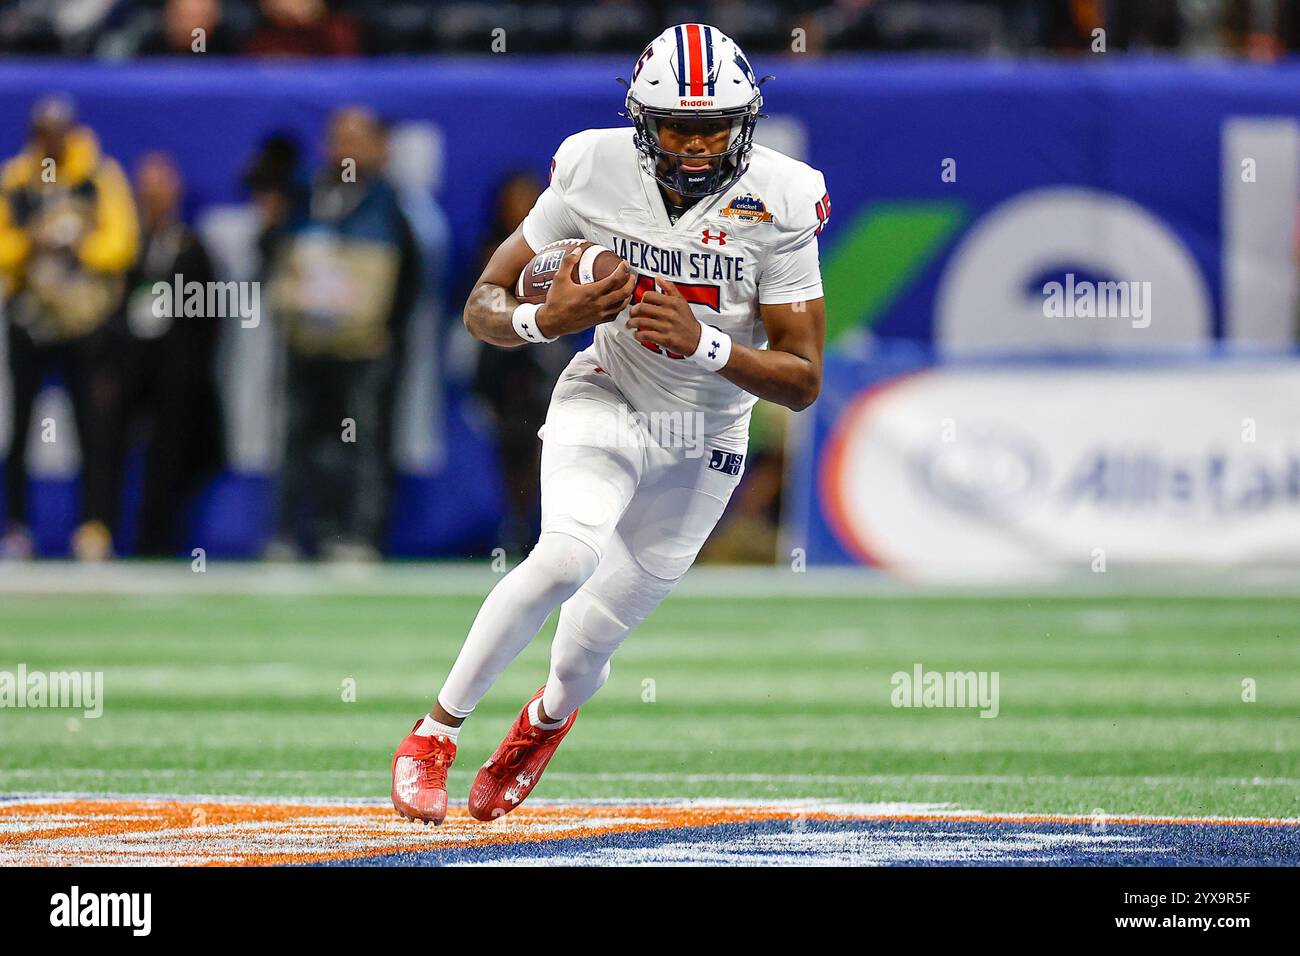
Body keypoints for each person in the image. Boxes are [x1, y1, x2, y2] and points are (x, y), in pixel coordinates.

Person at [391, 24, 829, 824]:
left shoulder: (782, 197)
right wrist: (539, 320)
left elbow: (802, 381)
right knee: (562, 557)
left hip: (706, 440)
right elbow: (481, 303)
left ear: (746, 124)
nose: (696, 149)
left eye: (713, 128)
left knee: (588, 645)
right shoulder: (592, 169)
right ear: (640, 121)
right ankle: (433, 734)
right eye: (676, 127)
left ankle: (545, 721)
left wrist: (709, 344)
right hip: (608, 394)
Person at [266, 106, 419, 561]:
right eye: (338, 138)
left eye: (356, 139)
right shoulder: (308, 195)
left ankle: (359, 535)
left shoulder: (390, 206)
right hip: (308, 344)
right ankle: (290, 534)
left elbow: (411, 279)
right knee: (299, 440)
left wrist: (386, 332)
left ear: (378, 148)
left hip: (364, 349)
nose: (345, 149)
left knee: (364, 442)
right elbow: (277, 258)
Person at [0, 96, 138, 561]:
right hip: (31, 319)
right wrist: (29, 244)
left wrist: (82, 247)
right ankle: (18, 526)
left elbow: (121, 244)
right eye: (44, 133)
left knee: (94, 428)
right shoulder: (17, 180)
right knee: (19, 429)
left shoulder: (99, 177)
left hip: (85, 322)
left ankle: (94, 527)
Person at [96, 152, 224, 556]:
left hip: (174, 373)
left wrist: (193, 372)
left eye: (160, 185)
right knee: (110, 449)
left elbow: (208, 318)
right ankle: (101, 535)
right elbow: (110, 309)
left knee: (167, 457)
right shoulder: (127, 248)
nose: (152, 194)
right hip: (130, 367)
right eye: (146, 186)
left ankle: (158, 543)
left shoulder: (190, 246)